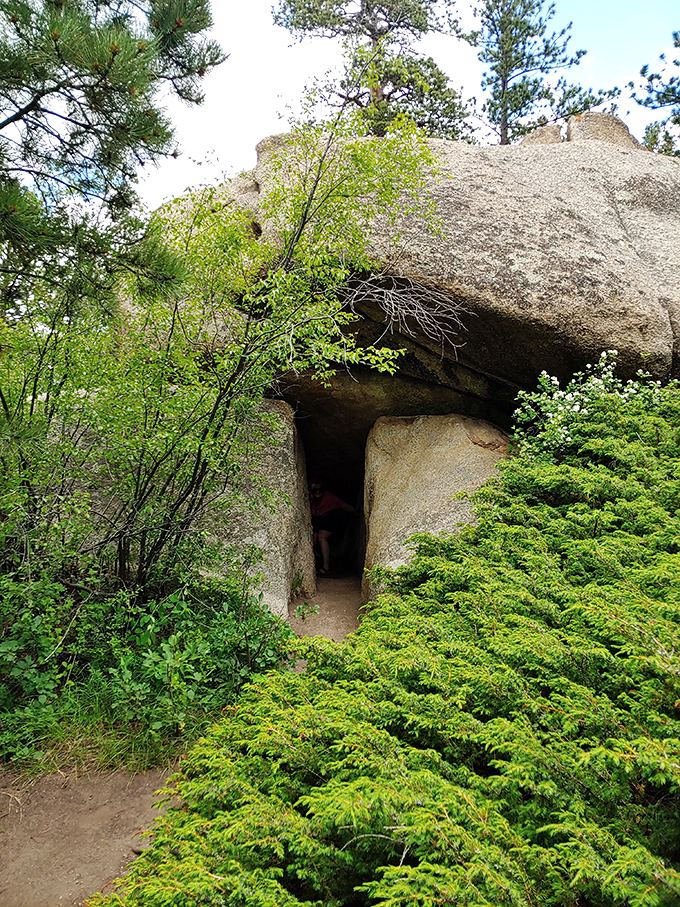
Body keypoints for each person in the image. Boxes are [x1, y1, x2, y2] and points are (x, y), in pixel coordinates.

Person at [309, 480, 355, 576]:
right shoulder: (308, 497)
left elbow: (345, 506)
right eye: (315, 490)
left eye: (320, 489)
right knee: (313, 540)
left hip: (329, 520)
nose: (317, 492)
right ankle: (322, 559)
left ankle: (326, 567)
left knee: (322, 537)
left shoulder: (329, 498)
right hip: (316, 521)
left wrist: (357, 513)